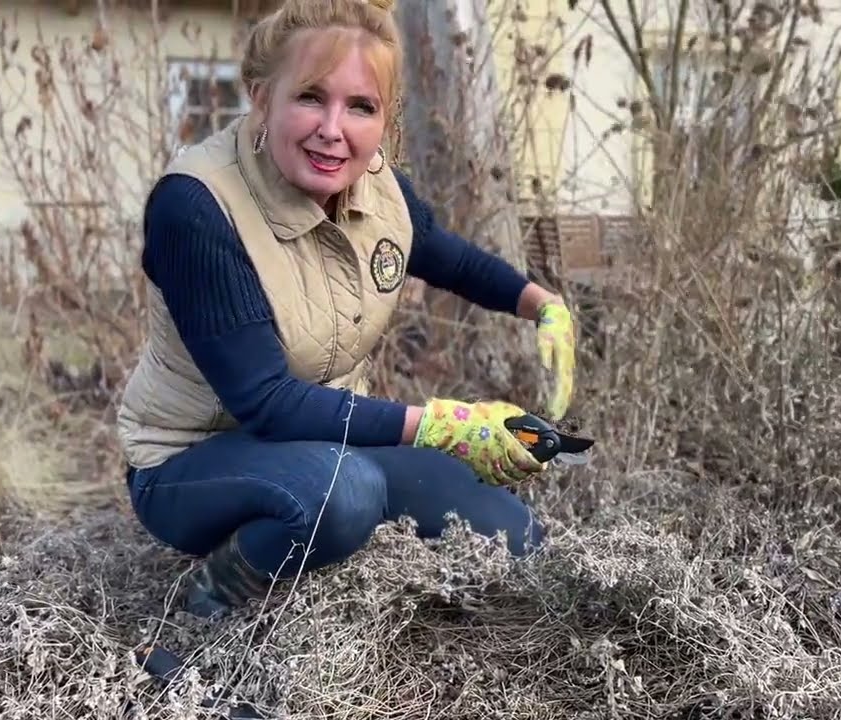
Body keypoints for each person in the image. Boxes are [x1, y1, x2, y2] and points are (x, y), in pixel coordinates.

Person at [116, 0, 577, 621]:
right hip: (191, 461)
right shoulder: (196, 208)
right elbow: (267, 403)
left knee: (515, 537)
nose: (334, 129)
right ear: (261, 97)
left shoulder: (373, 181)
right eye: (310, 97)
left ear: (385, 120)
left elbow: (445, 255)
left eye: (361, 107)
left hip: (328, 442)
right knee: (346, 494)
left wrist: (542, 305)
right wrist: (445, 425)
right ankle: (208, 607)